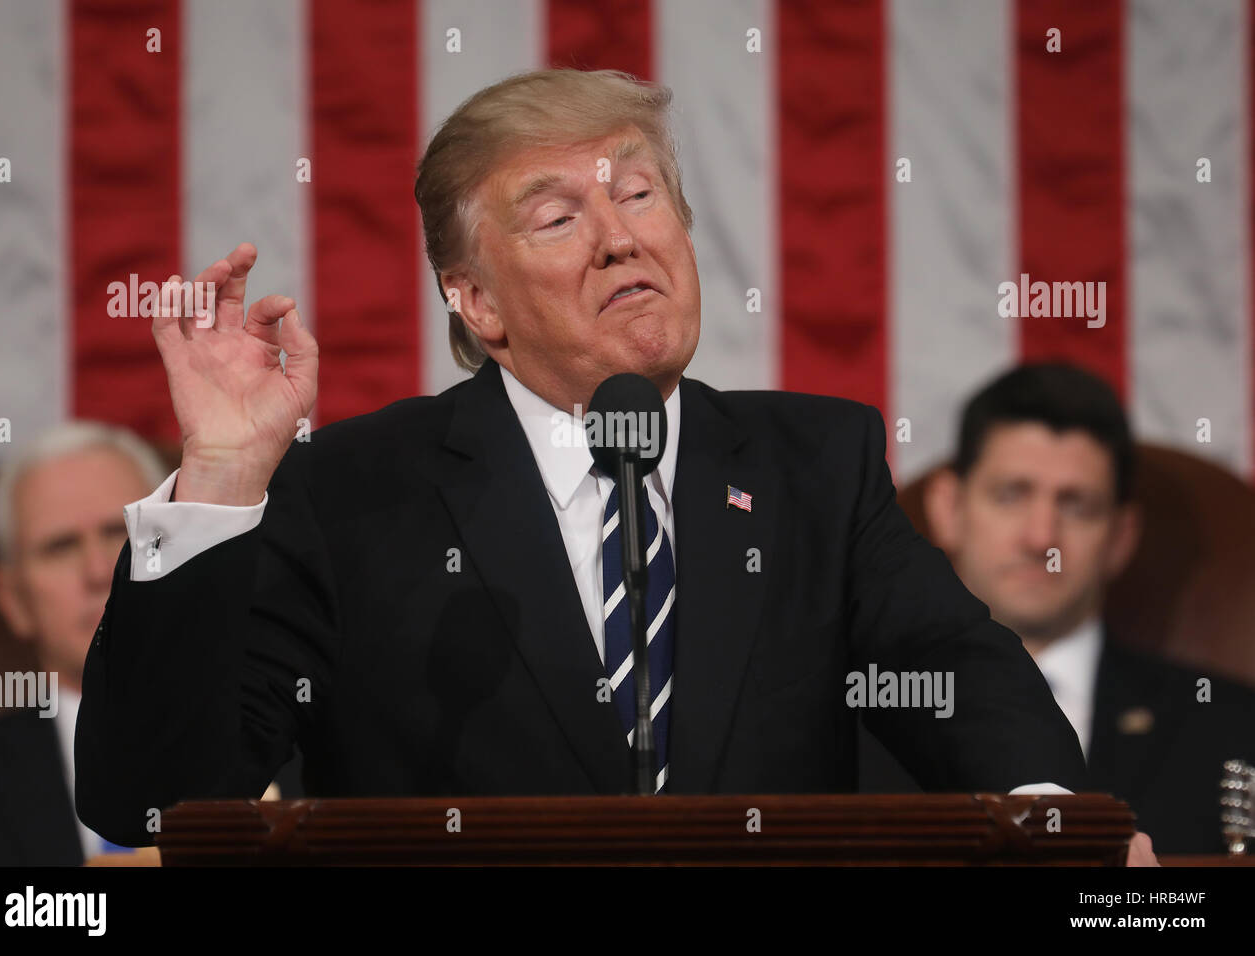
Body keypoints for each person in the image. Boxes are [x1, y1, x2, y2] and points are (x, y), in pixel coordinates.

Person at [76, 68, 1114, 856]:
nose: (620, 239)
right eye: (559, 217)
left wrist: (1057, 819)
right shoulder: (353, 491)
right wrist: (218, 473)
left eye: (640, 195)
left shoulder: (816, 462)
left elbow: (950, 674)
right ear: (475, 302)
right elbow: (153, 797)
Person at [858, 363, 1255, 854]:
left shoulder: (1232, 731)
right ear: (948, 508)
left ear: (1121, 536)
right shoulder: (860, 719)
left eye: (1076, 505)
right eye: (1011, 495)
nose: (1041, 537)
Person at [0, 422, 166, 864]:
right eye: (60, 547)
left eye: (118, 531)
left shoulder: (300, 754)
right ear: (12, 598)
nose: (97, 571)